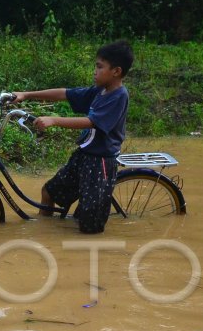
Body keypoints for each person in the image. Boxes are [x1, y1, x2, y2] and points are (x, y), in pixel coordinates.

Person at [11, 40, 134, 234]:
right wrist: (26, 95)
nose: (95, 71)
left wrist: (54, 120)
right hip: (84, 156)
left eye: (99, 67)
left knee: (89, 226)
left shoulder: (118, 96)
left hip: (100, 162)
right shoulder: (99, 90)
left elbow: (91, 122)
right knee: (49, 192)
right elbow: (66, 94)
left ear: (116, 71)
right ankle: (45, 232)